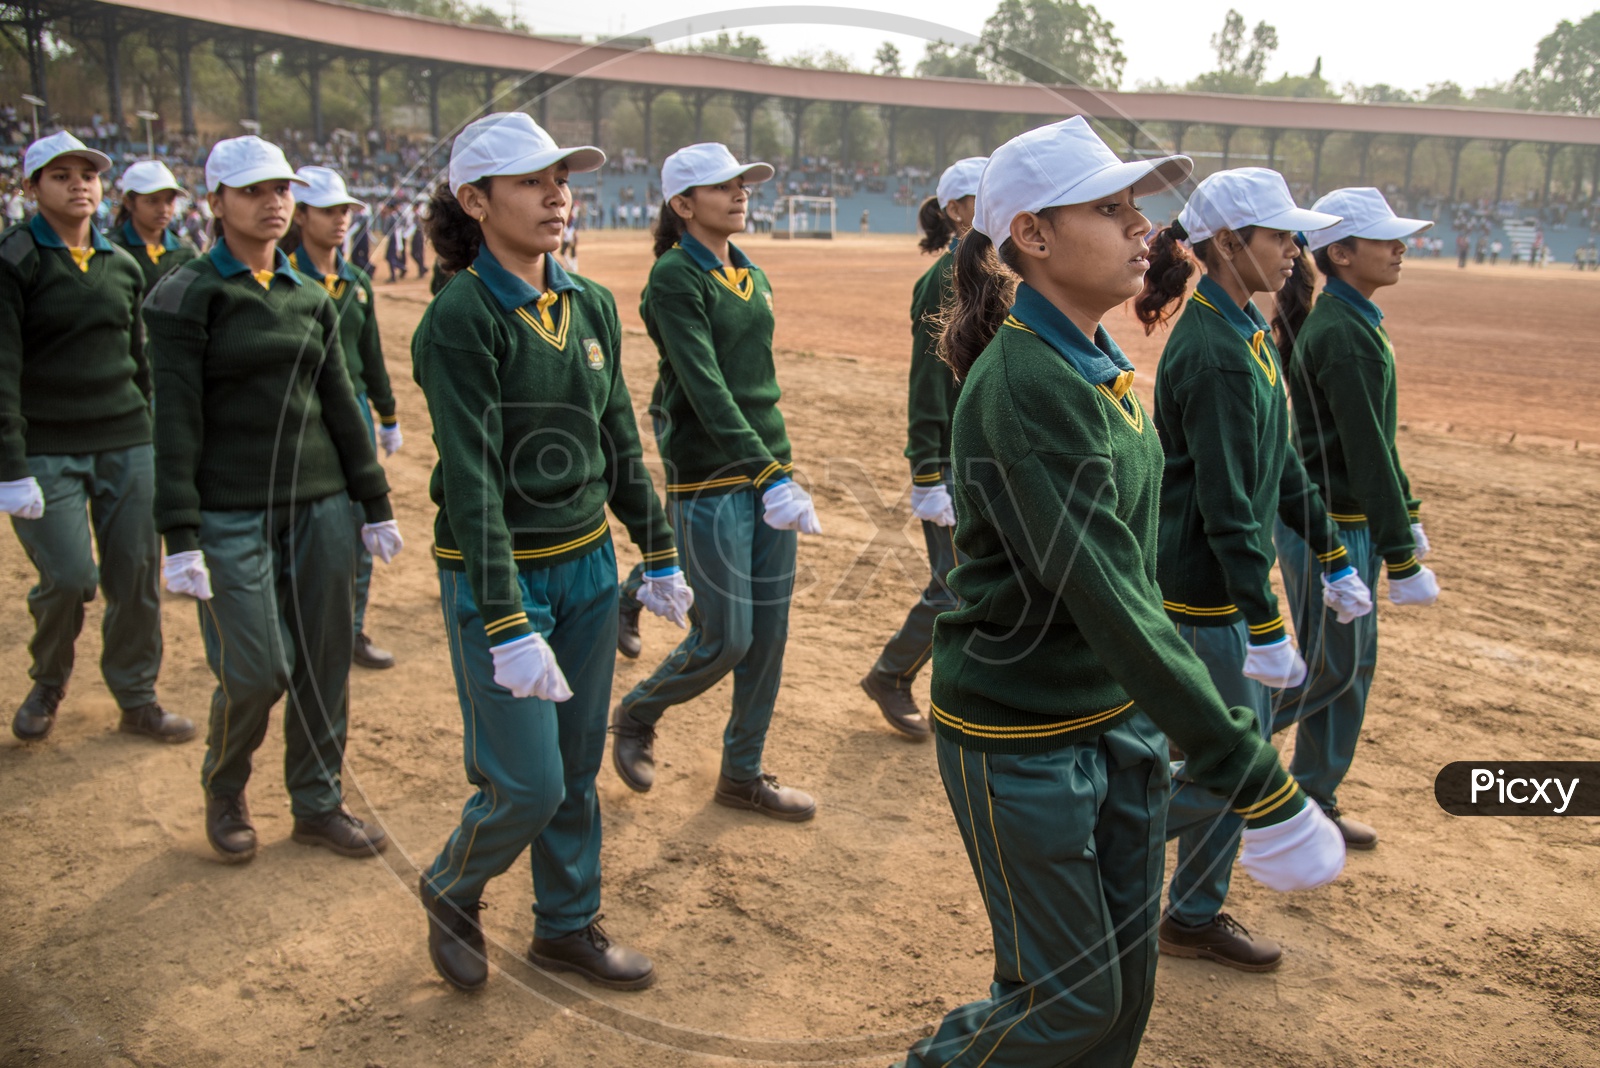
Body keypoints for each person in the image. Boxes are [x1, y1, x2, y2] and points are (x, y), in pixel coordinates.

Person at [894, 117, 1344, 1068]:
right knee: (1065, 1004)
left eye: (1137, 207)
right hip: (1022, 736)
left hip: (1110, 720)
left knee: (1124, 999)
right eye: (1111, 207)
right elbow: (1112, 596)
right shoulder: (1027, 383)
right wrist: (1254, 776)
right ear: (1034, 236)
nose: (1144, 228)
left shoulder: (1093, 365)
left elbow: (1129, 582)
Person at [413, 113, 689, 993]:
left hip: (586, 569)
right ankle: (452, 884)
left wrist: (662, 548)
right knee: (525, 784)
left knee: (574, 768)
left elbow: (616, 446)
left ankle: (566, 924)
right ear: (474, 200)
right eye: (532, 180)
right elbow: (472, 483)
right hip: (499, 577)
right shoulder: (461, 320)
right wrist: (503, 617)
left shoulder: (591, 303)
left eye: (561, 178)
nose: (557, 194)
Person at [1134, 168, 1373, 972]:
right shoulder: (1217, 351)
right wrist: (1264, 622)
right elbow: (1229, 507)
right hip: (1204, 598)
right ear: (1229, 243)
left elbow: (1282, 471)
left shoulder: (1243, 330)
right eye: (1279, 236)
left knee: (1221, 753)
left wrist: (1332, 555)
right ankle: (1110, 844)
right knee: (1230, 761)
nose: (1294, 250)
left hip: (1221, 592)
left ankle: (1192, 908)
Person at [144, 135, 399, 865]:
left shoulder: (310, 294)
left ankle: (318, 802)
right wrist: (180, 531)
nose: (273, 202)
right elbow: (176, 420)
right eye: (254, 190)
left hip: (321, 504)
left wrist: (373, 501)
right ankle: (225, 787)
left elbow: (341, 406)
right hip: (229, 512)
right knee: (257, 671)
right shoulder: (187, 295)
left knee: (323, 663)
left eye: (282, 189)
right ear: (216, 202)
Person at [610, 142, 823, 821]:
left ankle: (743, 773)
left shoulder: (750, 273)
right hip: (710, 477)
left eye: (743, 184)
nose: (740, 194)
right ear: (682, 205)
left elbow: (756, 383)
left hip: (770, 469)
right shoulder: (674, 279)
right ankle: (637, 713)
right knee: (725, 637)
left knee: (770, 635)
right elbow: (704, 387)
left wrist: (776, 470)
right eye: (721, 186)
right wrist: (765, 473)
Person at [0, 132, 194, 744]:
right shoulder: (16, 260)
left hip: (126, 438)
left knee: (134, 574)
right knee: (69, 578)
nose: (79, 183)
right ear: (31, 190)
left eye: (87, 174)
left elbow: (138, 361)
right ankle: (48, 679)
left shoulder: (118, 264)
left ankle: (137, 696)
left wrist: (156, 435)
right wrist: (10, 466)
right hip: (44, 448)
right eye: (60, 176)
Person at [1270, 186, 1442, 851]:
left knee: (1345, 667)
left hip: (1349, 521)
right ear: (1341, 253)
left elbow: (1376, 443)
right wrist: (1403, 551)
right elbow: (1367, 454)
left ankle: (1312, 796)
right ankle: (1208, 757)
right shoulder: (1343, 333)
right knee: (1330, 668)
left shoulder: (1351, 319)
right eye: (1386, 239)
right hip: (1328, 525)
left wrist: (1404, 520)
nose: (1402, 248)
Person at [859, 156, 985, 739]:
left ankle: (963, 693)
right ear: (956, 209)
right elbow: (928, 386)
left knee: (980, 582)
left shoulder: (992, 271)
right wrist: (927, 475)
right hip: (955, 462)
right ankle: (891, 675)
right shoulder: (945, 280)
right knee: (954, 583)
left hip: (986, 456)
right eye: (984, 195)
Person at [287, 166, 404, 671]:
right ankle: (298, 631)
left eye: (345, 211)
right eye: (329, 211)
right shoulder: (284, 277)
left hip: (353, 411)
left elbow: (370, 352)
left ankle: (350, 630)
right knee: (302, 526)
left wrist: (387, 412)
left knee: (361, 525)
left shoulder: (356, 282)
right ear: (300, 215)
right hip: (299, 417)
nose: (340, 220)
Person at [107, 160, 198, 293]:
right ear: (128, 203)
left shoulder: (186, 252)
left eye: (169, 201)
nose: (163, 209)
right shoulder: (111, 249)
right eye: (152, 201)